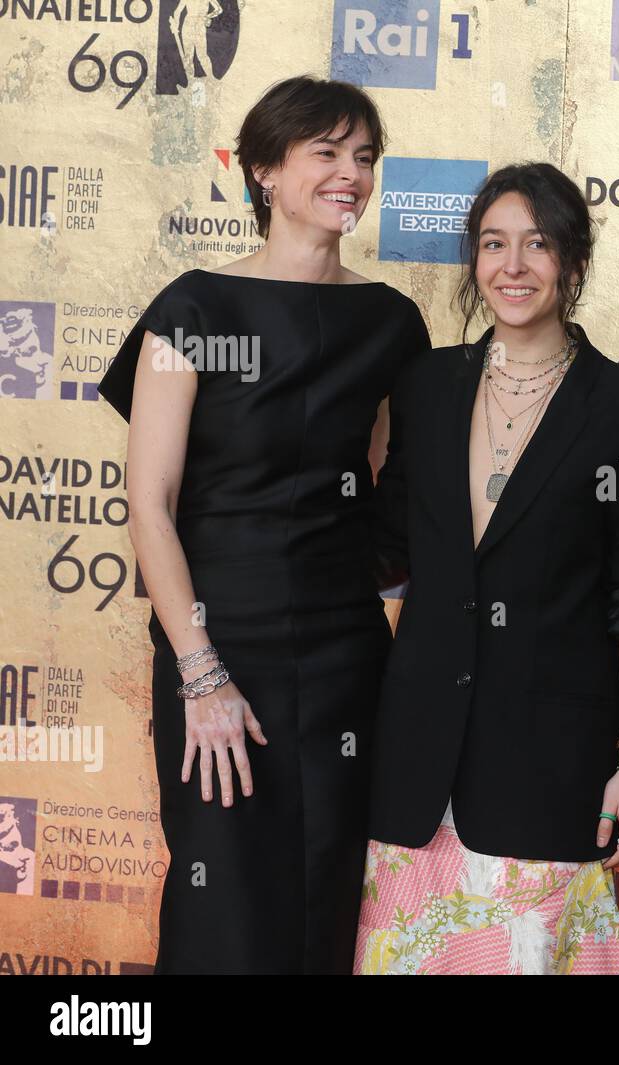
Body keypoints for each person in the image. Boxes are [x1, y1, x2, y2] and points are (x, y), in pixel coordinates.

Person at [99, 75, 430, 974]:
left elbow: (383, 488)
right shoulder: (194, 308)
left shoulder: (392, 322)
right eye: (325, 153)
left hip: (344, 648)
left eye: (364, 158)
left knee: (332, 880)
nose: (350, 175)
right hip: (221, 637)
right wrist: (201, 673)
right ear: (262, 173)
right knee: (227, 886)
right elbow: (150, 504)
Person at [354, 162, 619, 975]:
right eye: (494, 244)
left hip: (551, 764)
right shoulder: (427, 387)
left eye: (538, 244)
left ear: (573, 260)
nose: (514, 265)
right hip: (416, 764)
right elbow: (386, 548)